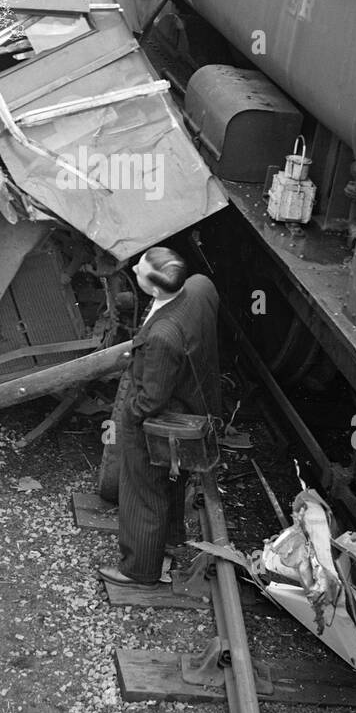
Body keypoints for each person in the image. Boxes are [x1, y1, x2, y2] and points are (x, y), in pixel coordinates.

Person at [99, 248, 221, 589]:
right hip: (191, 404)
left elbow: (152, 399)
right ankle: (166, 545)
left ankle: (139, 571)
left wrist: (131, 415)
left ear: (153, 290)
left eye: (140, 271)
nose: (135, 267)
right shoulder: (198, 288)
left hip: (161, 421)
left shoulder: (163, 336)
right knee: (170, 482)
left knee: (143, 491)